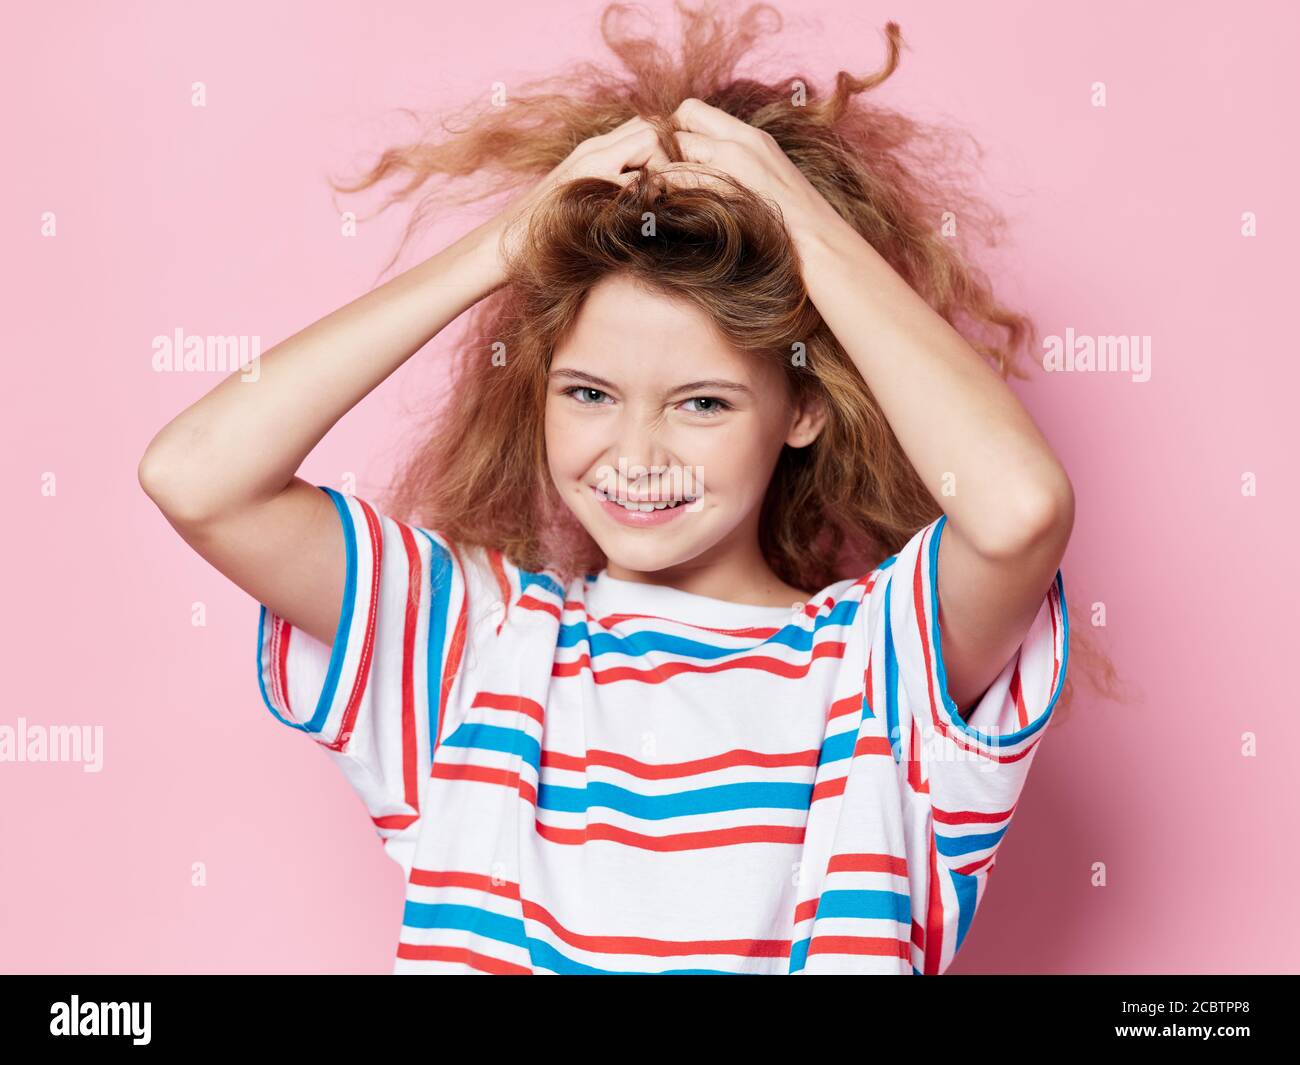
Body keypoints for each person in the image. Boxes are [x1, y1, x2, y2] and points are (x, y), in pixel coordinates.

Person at [139, 4, 1073, 974]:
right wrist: (507, 244)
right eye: (587, 392)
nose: (636, 451)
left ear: (803, 407)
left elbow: (1019, 511)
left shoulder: (881, 669)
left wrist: (802, 219)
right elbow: (197, 477)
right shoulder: (477, 649)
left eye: (701, 403)